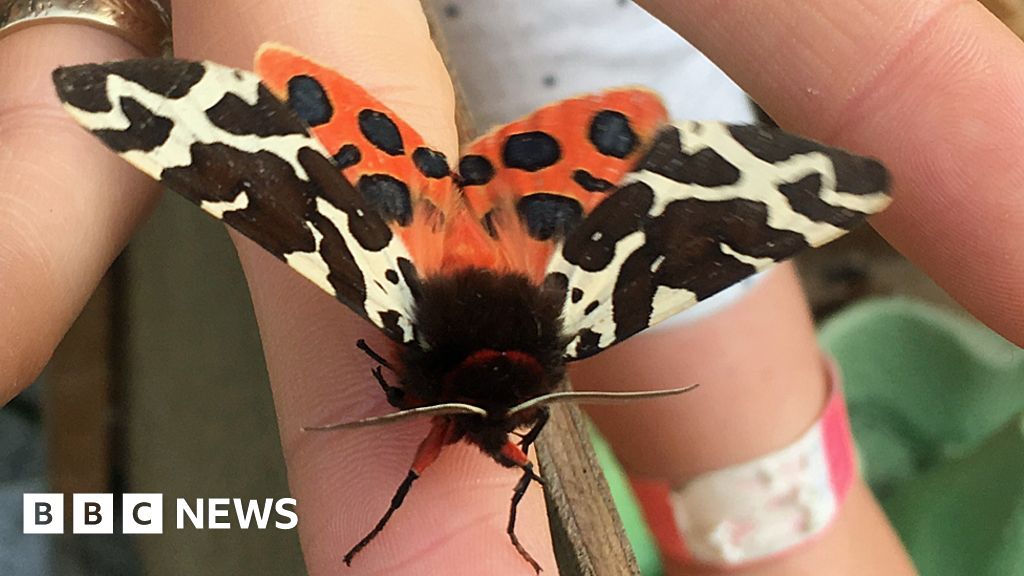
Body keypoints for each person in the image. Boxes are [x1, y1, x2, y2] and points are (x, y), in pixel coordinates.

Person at [1, 1, 1021, 574]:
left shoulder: (498, 345)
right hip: (523, 212)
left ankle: (757, 512)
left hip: (456, 187)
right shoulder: (552, 336)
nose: (503, 444)